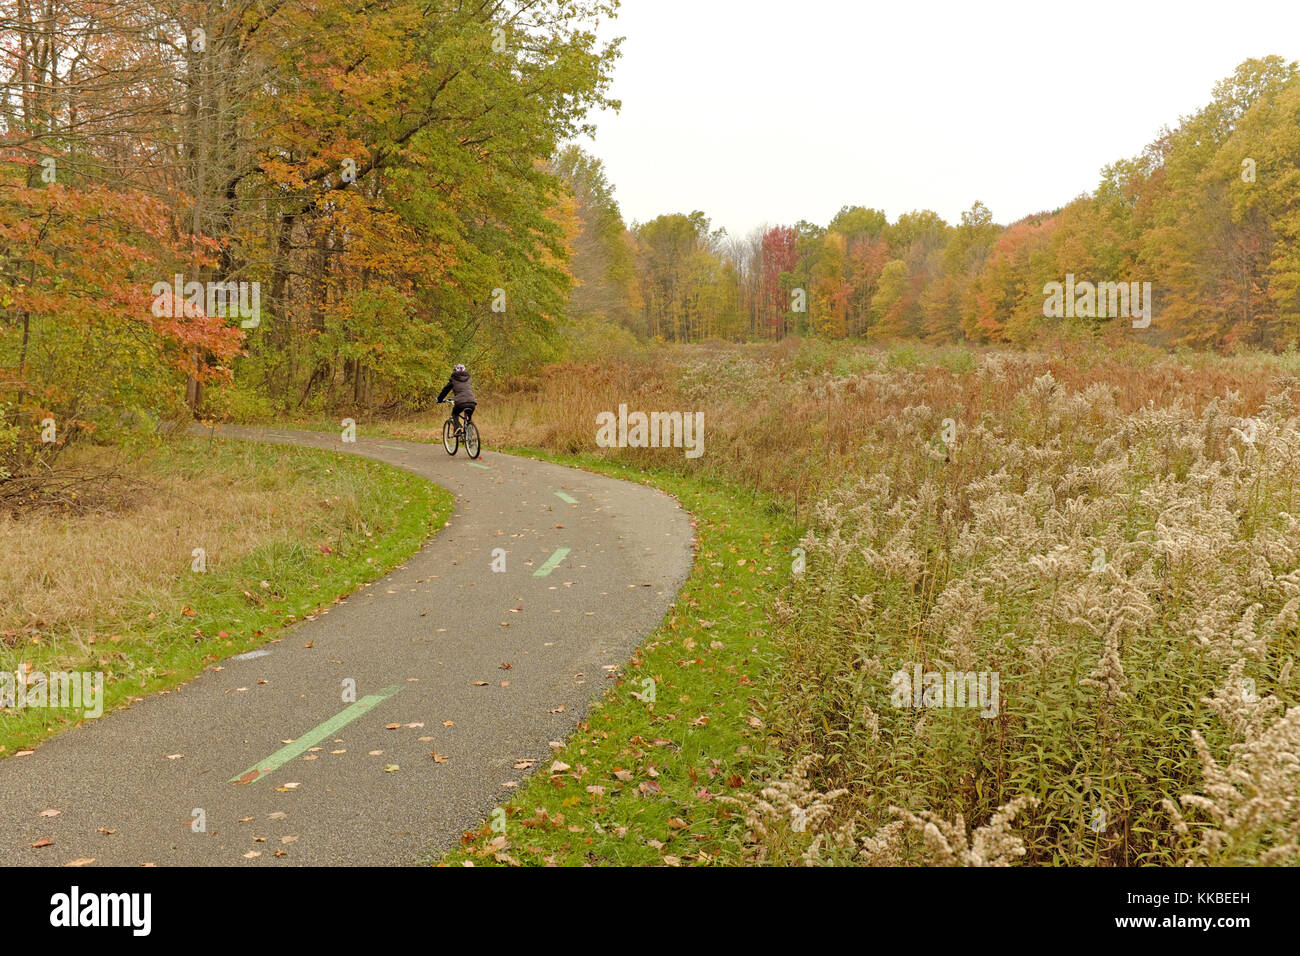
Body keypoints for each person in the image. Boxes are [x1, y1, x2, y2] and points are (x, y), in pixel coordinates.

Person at [437, 363, 476, 433]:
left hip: (460, 402)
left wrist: (439, 399)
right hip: (472, 401)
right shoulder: (468, 379)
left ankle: (458, 427)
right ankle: (470, 434)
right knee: (469, 416)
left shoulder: (453, 379)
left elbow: (445, 390)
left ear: (454, 371)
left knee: (454, 414)